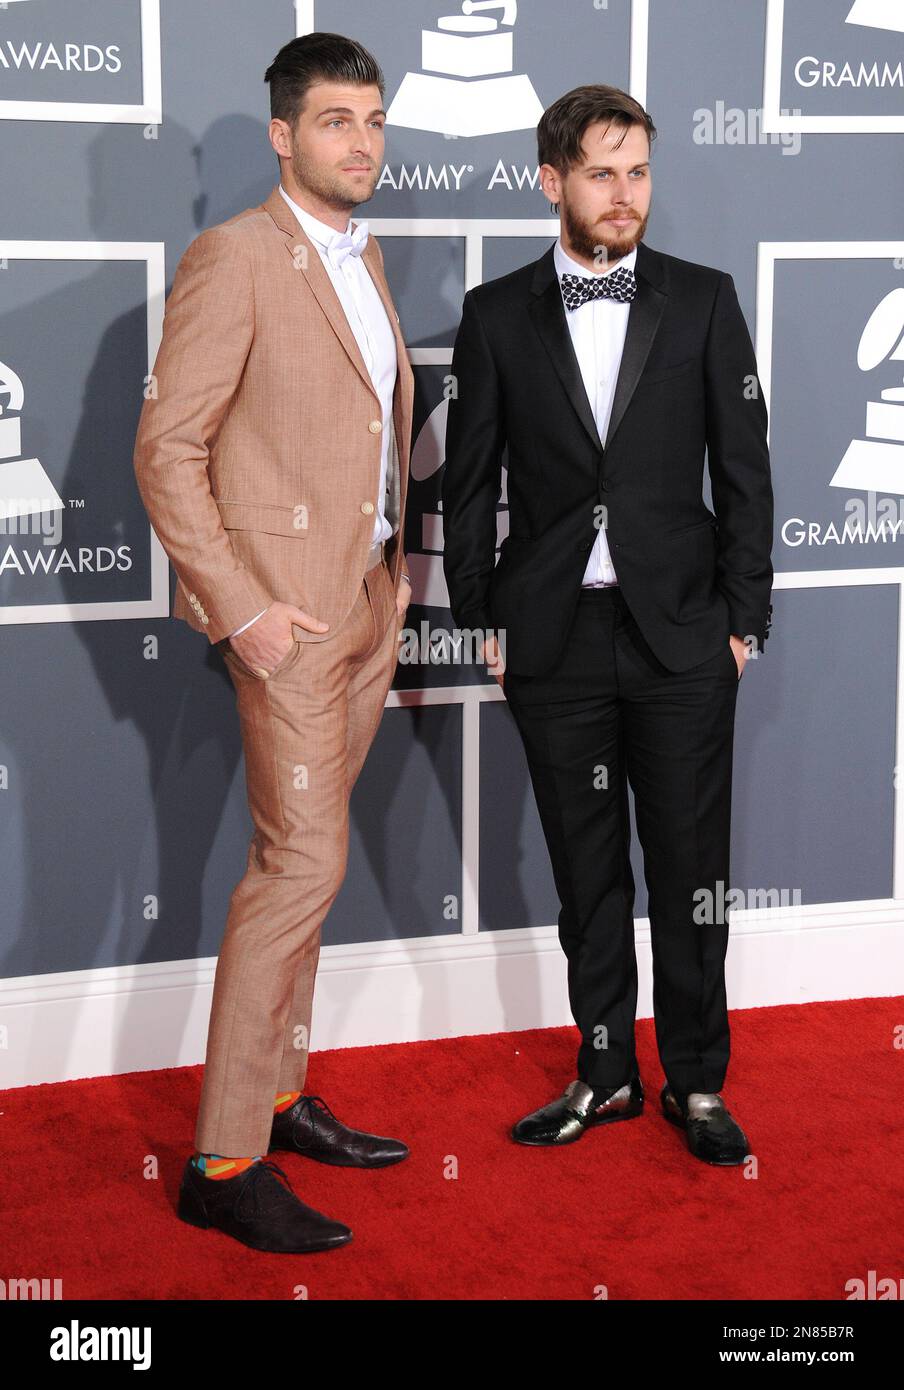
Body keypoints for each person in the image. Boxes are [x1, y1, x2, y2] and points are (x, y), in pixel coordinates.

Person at [442, 84, 774, 1165]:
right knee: (587, 878)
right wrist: (482, 612)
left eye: (637, 172)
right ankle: (604, 1072)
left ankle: (698, 1082)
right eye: (600, 172)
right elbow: (467, 481)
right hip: (555, 639)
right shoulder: (495, 316)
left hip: (683, 637)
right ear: (552, 182)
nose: (623, 194)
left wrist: (744, 621)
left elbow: (747, 474)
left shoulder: (705, 299)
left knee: (690, 870)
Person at [133, 32, 414, 1252]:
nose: (362, 141)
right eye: (337, 120)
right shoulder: (234, 256)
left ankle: (286, 1094)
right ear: (282, 137)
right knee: (294, 872)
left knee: (312, 872)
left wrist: (384, 588)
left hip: (366, 606)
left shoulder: (365, 254)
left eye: (373, 118)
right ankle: (223, 1154)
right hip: (286, 621)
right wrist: (243, 607)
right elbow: (166, 451)